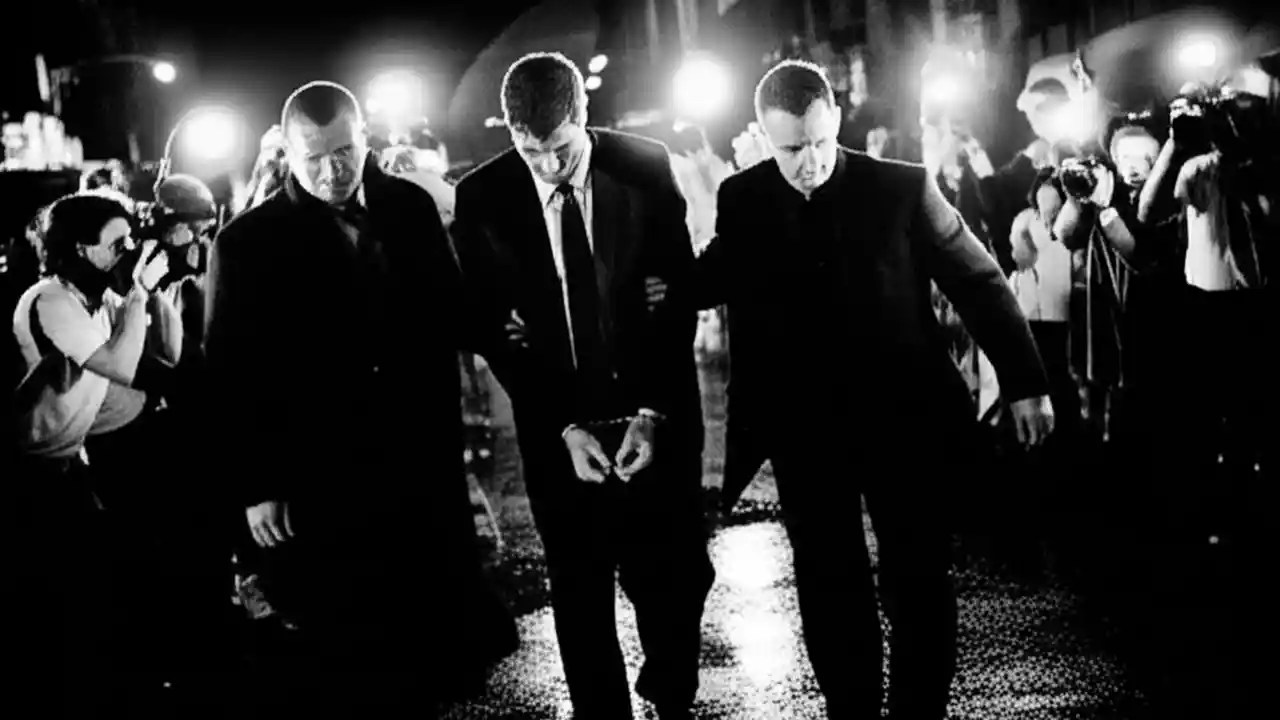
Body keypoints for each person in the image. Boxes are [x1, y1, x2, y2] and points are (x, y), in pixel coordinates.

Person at [665, 60, 1053, 720]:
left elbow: (978, 280)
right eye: (791, 148)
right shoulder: (744, 196)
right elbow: (713, 277)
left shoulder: (899, 187)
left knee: (919, 575)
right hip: (802, 424)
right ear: (763, 133)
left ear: (836, 121)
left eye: (819, 141)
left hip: (902, 413)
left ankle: (917, 709)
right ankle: (850, 707)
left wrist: (1027, 385)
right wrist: (662, 288)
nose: (810, 160)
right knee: (825, 576)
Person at [203, 81, 516, 715]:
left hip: (421, 450)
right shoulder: (245, 244)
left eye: (344, 150)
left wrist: (513, 316)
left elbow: (449, 307)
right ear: (287, 152)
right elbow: (231, 375)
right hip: (325, 467)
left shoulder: (408, 206)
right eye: (313, 156)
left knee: (439, 640)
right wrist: (256, 485)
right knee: (353, 647)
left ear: (365, 136)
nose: (331, 169)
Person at [451, 52, 714, 720]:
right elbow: (488, 323)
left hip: (651, 408)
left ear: (584, 118)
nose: (546, 165)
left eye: (560, 149)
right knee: (578, 587)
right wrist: (561, 427)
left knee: (672, 579)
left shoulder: (645, 166)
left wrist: (653, 411)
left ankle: (673, 692)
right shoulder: (483, 196)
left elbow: (675, 295)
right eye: (528, 149)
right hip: (557, 420)